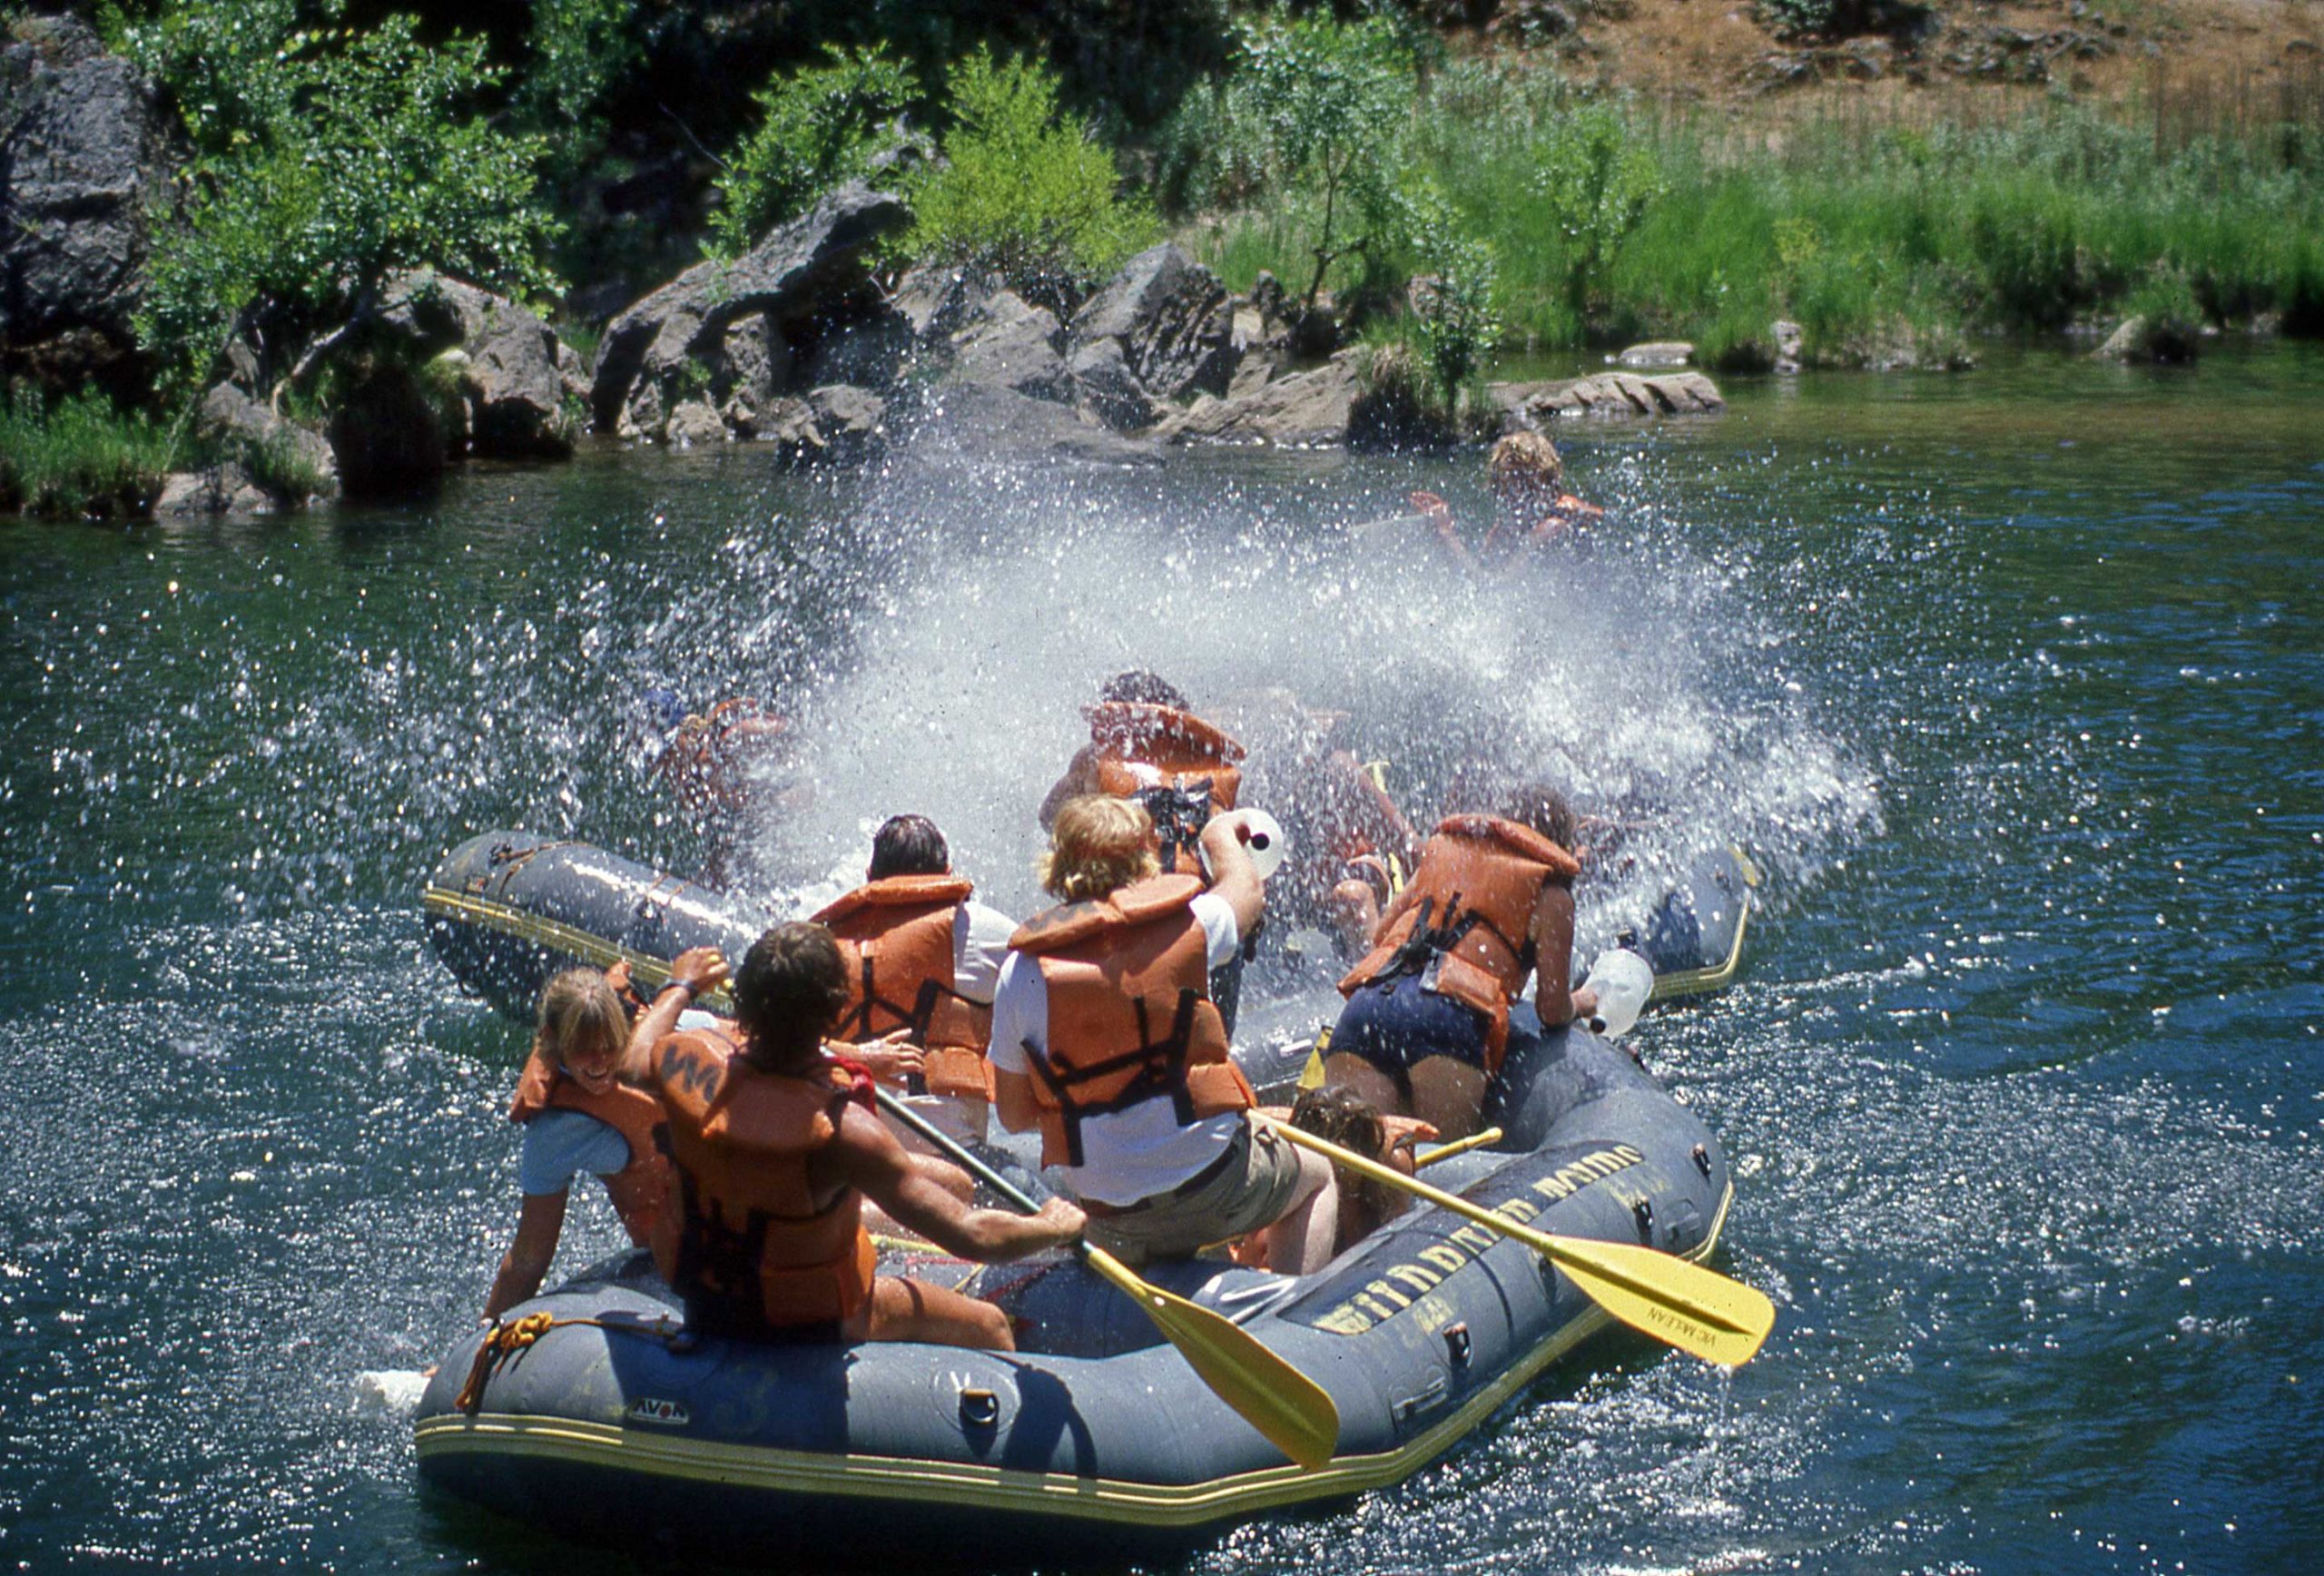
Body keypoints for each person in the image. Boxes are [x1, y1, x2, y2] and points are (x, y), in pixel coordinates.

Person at [648, 922, 1082, 1351]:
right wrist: (1050, 1225)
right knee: (990, 1325)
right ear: (835, 1012)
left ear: (743, 1004)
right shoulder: (842, 1133)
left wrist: (679, 986)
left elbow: (632, 1060)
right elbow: (972, 1235)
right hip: (809, 1321)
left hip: (707, 1301)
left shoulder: (684, 1061)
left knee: (952, 1182)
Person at [988, 795, 1336, 1273]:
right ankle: (1293, 1314)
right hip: (1216, 1189)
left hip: (1111, 1219)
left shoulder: (1018, 974)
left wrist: (1110, 1118)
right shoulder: (1192, 926)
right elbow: (1247, 890)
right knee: (1318, 1178)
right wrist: (1220, 831)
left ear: (1057, 865)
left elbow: (1013, 1113)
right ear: (1143, 861)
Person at [1325, 783, 1600, 1140]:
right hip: (1445, 1021)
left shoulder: (1445, 856)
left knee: (1358, 1170)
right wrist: (1582, 1002)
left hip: (1369, 1007)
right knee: (1440, 1174)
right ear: (1559, 839)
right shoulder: (1552, 894)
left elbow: (1382, 939)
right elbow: (1551, 1010)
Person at [481, 946, 730, 1323]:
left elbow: (756, 1046)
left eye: (610, 1046)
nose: (601, 1062)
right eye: (583, 1050)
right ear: (554, 1041)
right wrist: (481, 1339)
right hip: (671, 1253)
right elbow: (530, 1257)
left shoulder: (674, 1033)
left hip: (739, 1222)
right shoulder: (556, 1130)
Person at [809, 813, 1015, 1144]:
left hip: (852, 1150)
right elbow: (1047, 989)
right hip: (957, 1151)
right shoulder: (979, 927)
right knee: (1045, 1195)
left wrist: (853, 1056)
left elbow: (767, 1039)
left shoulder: (820, 944)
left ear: (869, 878)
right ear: (947, 875)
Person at [1038, 671, 1247, 877]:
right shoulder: (1207, 764)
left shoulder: (1094, 758)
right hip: (1193, 888)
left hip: (1124, 887)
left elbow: (1049, 816)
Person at [1410, 431, 1604, 570]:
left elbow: (1497, 588)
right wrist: (1442, 529)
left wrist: (1446, 532)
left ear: (1546, 480)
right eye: (1507, 485)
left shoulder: (1553, 526)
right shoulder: (1504, 530)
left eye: (1523, 480)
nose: (1515, 492)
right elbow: (1476, 581)